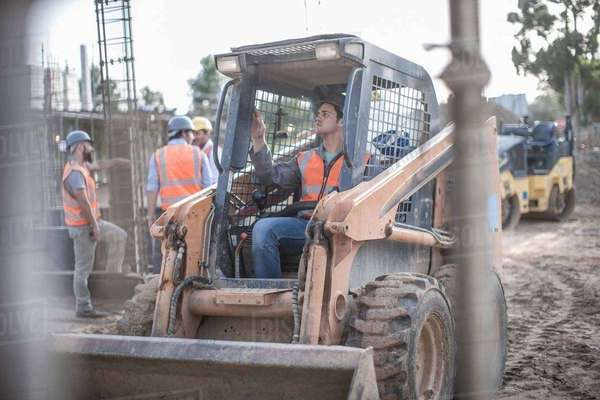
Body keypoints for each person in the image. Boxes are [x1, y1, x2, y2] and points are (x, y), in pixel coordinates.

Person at [249, 101, 347, 279]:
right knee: (263, 229)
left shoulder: (361, 160)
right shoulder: (304, 158)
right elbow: (270, 176)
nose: (318, 117)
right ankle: (268, 291)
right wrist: (258, 138)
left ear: (341, 121)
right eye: (317, 113)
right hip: (306, 226)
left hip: (340, 230)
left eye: (325, 114)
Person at [61, 130, 130, 318]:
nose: (91, 148)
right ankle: (83, 306)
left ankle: (112, 276)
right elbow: (83, 203)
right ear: (81, 146)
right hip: (83, 227)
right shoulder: (75, 173)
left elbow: (99, 164)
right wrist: (94, 227)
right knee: (82, 269)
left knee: (119, 236)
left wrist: (119, 162)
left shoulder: (82, 166)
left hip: (91, 222)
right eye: (89, 145)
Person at [146, 116, 212, 273]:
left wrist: (150, 216)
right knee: (194, 256)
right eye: (191, 133)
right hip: (195, 215)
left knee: (167, 255)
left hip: (169, 216)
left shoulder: (157, 156)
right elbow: (208, 187)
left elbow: (152, 188)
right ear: (184, 133)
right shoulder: (199, 154)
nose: (193, 137)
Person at [192, 116, 219, 185]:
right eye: (193, 133)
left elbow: (215, 179)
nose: (194, 137)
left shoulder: (214, 151)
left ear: (207, 133)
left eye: (197, 133)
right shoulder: (195, 151)